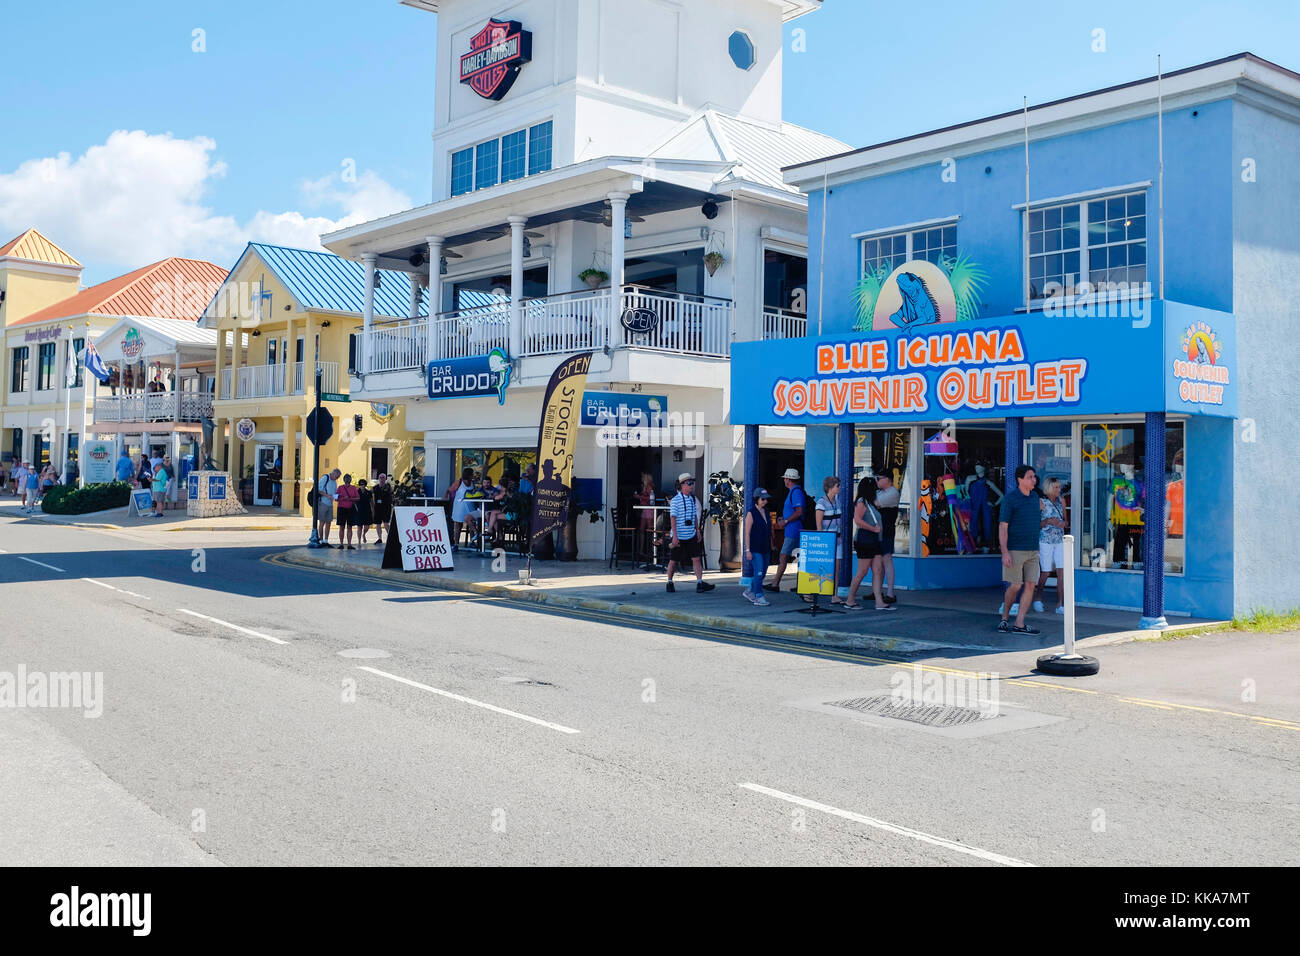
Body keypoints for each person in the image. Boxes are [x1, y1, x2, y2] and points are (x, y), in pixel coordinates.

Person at [998, 465, 1042, 634]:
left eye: (1034, 476)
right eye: (1030, 477)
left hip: (1033, 549)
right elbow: (1003, 526)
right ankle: (1004, 617)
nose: (1034, 479)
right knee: (1016, 585)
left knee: (1030, 585)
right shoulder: (1010, 499)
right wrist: (1004, 552)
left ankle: (1020, 623)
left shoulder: (1035, 497)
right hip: (1015, 549)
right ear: (1020, 479)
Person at [847, 478, 893, 610]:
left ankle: (879, 602)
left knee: (878, 570)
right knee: (862, 571)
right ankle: (850, 599)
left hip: (875, 540)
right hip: (865, 539)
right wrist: (873, 529)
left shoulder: (871, 503)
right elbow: (857, 520)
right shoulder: (861, 502)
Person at [665, 473, 714, 593]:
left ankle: (699, 583)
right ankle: (669, 582)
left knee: (696, 558)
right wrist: (675, 536)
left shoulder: (692, 499)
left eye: (692, 483)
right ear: (682, 485)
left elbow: (694, 517)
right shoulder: (675, 500)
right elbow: (673, 518)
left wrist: (697, 531)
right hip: (679, 535)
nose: (692, 486)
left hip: (690, 534)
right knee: (673, 560)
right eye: (689, 483)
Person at [765, 468, 806, 593]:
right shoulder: (794, 492)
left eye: (785, 478)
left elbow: (799, 512)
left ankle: (775, 584)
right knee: (799, 557)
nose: (784, 480)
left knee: (784, 555)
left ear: (788, 479)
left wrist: (786, 521)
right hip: (793, 529)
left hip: (794, 530)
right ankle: (801, 585)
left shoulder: (796, 492)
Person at [1032, 477, 1067, 614]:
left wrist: (1063, 524)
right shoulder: (1041, 502)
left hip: (1059, 540)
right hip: (1045, 540)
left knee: (1061, 572)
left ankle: (1060, 604)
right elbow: (1036, 523)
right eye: (1055, 487)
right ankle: (1038, 598)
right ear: (1048, 488)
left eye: (1059, 487)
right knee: (1046, 571)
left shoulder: (1061, 502)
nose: (1058, 490)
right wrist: (1047, 521)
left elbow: (1066, 522)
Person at [814, 476, 846, 606]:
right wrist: (822, 541)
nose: (839, 488)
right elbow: (819, 524)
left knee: (836, 568)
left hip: (837, 539)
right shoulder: (821, 503)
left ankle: (835, 594)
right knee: (822, 567)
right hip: (827, 539)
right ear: (831, 487)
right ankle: (812, 591)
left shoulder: (837, 502)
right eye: (837, 486)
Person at [740, 488, 772, 606]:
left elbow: (769, 529)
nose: (765, 501)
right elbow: (747, 533)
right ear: (756, 499)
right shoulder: (751, 513)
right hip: (755, 548)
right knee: (758, 573)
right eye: (762, 499)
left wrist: (772, 544)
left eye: (766, 499)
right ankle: (758, 595)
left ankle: (750, 591)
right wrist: (747, 550)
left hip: (765, 547)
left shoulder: (766, 512)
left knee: (763, 573)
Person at [875, 472, 901, 605]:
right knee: (878, 562)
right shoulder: (880, 492)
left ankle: (890, 593)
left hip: (886, 531)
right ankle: (877, 591)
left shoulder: (893, 492)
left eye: (879, 478)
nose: (877, 481)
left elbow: (875, 504)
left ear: (888, 480)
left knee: (886, 559)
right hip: (878, 530)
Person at [448, 467, 475, 550]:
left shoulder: (472, 483)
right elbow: (450, 489)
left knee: (471, 523)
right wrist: (446, 497)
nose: (473, 475)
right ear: (469, 475)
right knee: (458, 524)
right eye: (472, 474)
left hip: (470, 505)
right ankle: (456, 544)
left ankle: (472, 541)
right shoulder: (459, 482)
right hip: (459, 506)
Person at [316, 468, 340, 547]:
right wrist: (328, 496)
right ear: (333, 474)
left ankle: (326, 541)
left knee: (329, 523)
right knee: (322, 522)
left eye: (338, 477)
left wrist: (336, 497)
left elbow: (335, 492)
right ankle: (321, 540)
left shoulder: (334, 482)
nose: (337, 479)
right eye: (336, 477)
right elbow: (319, 490)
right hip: (323, 503)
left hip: (330, 504)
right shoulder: (325, 478)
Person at [635, 472, 657, 558]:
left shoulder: (650, 486)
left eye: (643, 476)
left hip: (649, 509)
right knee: (642, 530)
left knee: (649, 530)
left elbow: (651, 498)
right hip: (644, 509)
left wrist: (640, 497)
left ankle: (651, 550)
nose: (641, 478)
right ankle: (641, 550)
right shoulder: (644, 486)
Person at [336, 473, 360, 549]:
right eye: (346, 478)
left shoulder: (354, 488)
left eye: (348, 478)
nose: (347, 480)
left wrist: (350, 499)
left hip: (350, 509)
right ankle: (341, 544)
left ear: (350, 480)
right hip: (341, 509)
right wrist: (342, 498)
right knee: (341, 526)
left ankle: (349, 544)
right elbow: (335, 498)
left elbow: (358, 498)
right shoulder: (340, 488)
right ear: (344, 480)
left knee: (349, 527)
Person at [371, 473, 394, 544]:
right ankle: (379, 538)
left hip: (386, 508)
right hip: (378, 508)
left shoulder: (388, 487)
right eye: (380, 477)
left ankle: (391, 538)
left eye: (383, 477)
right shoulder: (375, 487)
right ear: (378, 479)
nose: (382, 479)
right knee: (378, 524)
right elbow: (369, 493)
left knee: (386, 523)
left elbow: (392, 495)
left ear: (385, 478)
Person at [355, 478, 374, 544]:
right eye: (361, 484)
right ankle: (359, 541)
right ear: (359, 485)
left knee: (367, 526)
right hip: (359, 511)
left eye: (363, 484)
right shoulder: (356, 492)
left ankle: (364, 534)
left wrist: (373, 510)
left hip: (367, 511)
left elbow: (372, 502)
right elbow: (354, 502)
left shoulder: (368, 492)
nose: (362, 486)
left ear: (365, 485)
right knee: (359, 527)